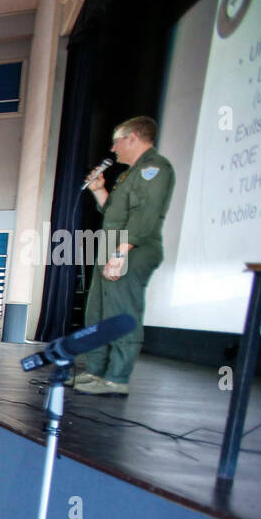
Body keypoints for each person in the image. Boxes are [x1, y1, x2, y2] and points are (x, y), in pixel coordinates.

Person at [77, 115, 176, 396]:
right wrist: (99, 191)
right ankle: (95, 372)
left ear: (133, 137)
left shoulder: (154, 169)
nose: (113, 149)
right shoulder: (127, 174)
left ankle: (117, 378)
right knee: (96, 313)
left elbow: (144, 217)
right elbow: (114, 215)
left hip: (132, 250)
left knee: (121, 314)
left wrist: (121, 253)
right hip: (111, 248)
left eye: (116, 141)